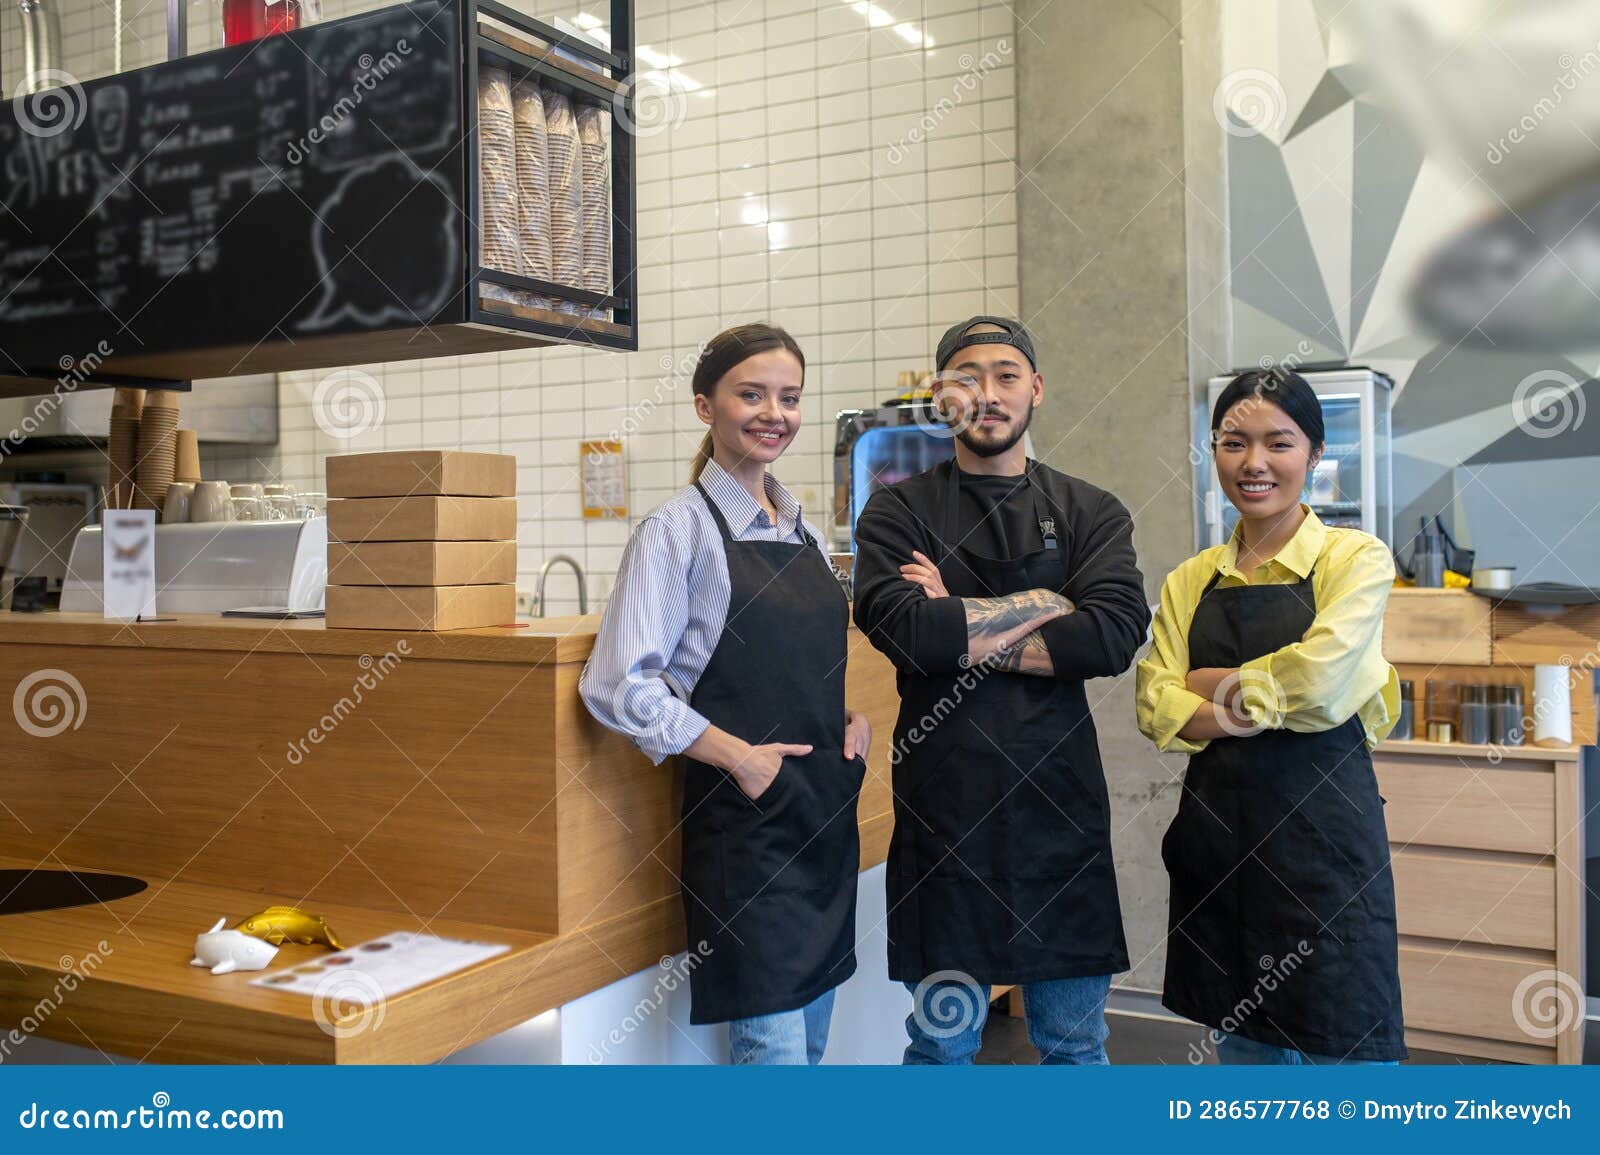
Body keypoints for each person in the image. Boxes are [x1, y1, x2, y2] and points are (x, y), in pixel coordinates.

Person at [851, 316, 1149, 1064]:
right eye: (967, 377)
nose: (987, 393)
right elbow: (907, 632)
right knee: (940, 1046)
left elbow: (1112, 635)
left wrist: (957, 617)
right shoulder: (896, 510)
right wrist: (1051, 604)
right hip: (946, 821)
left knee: (1075, 1046)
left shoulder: (1090, 510)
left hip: (1060, 817)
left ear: (1035, 389)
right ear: (940, 396)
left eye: (1006, 375)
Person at [579, 322, 872, 1065]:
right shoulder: (676, 532)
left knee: (809, 1052)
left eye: (789, 397)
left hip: (823, 819)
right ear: (705, 406)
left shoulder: (803, 532)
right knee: (774, 1058)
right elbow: (616, 684)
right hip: (746, 833)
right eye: (752, 394)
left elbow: (794, 663)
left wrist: (845, 719)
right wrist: (737, 756)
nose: (775, 413)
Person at [1135, 366, 1406, 1065]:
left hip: (1324, 852)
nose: (1254, 462)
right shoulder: (1190, 579)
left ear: (1314, 454)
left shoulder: (1355, 558)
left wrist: (1207, 687)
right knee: (1245, 1067)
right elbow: (1156, 705)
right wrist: (1263, 699)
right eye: (1234, 443)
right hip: (1221, 850)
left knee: (1346, 1056)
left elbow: (1321, 682)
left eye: (1278, 443)